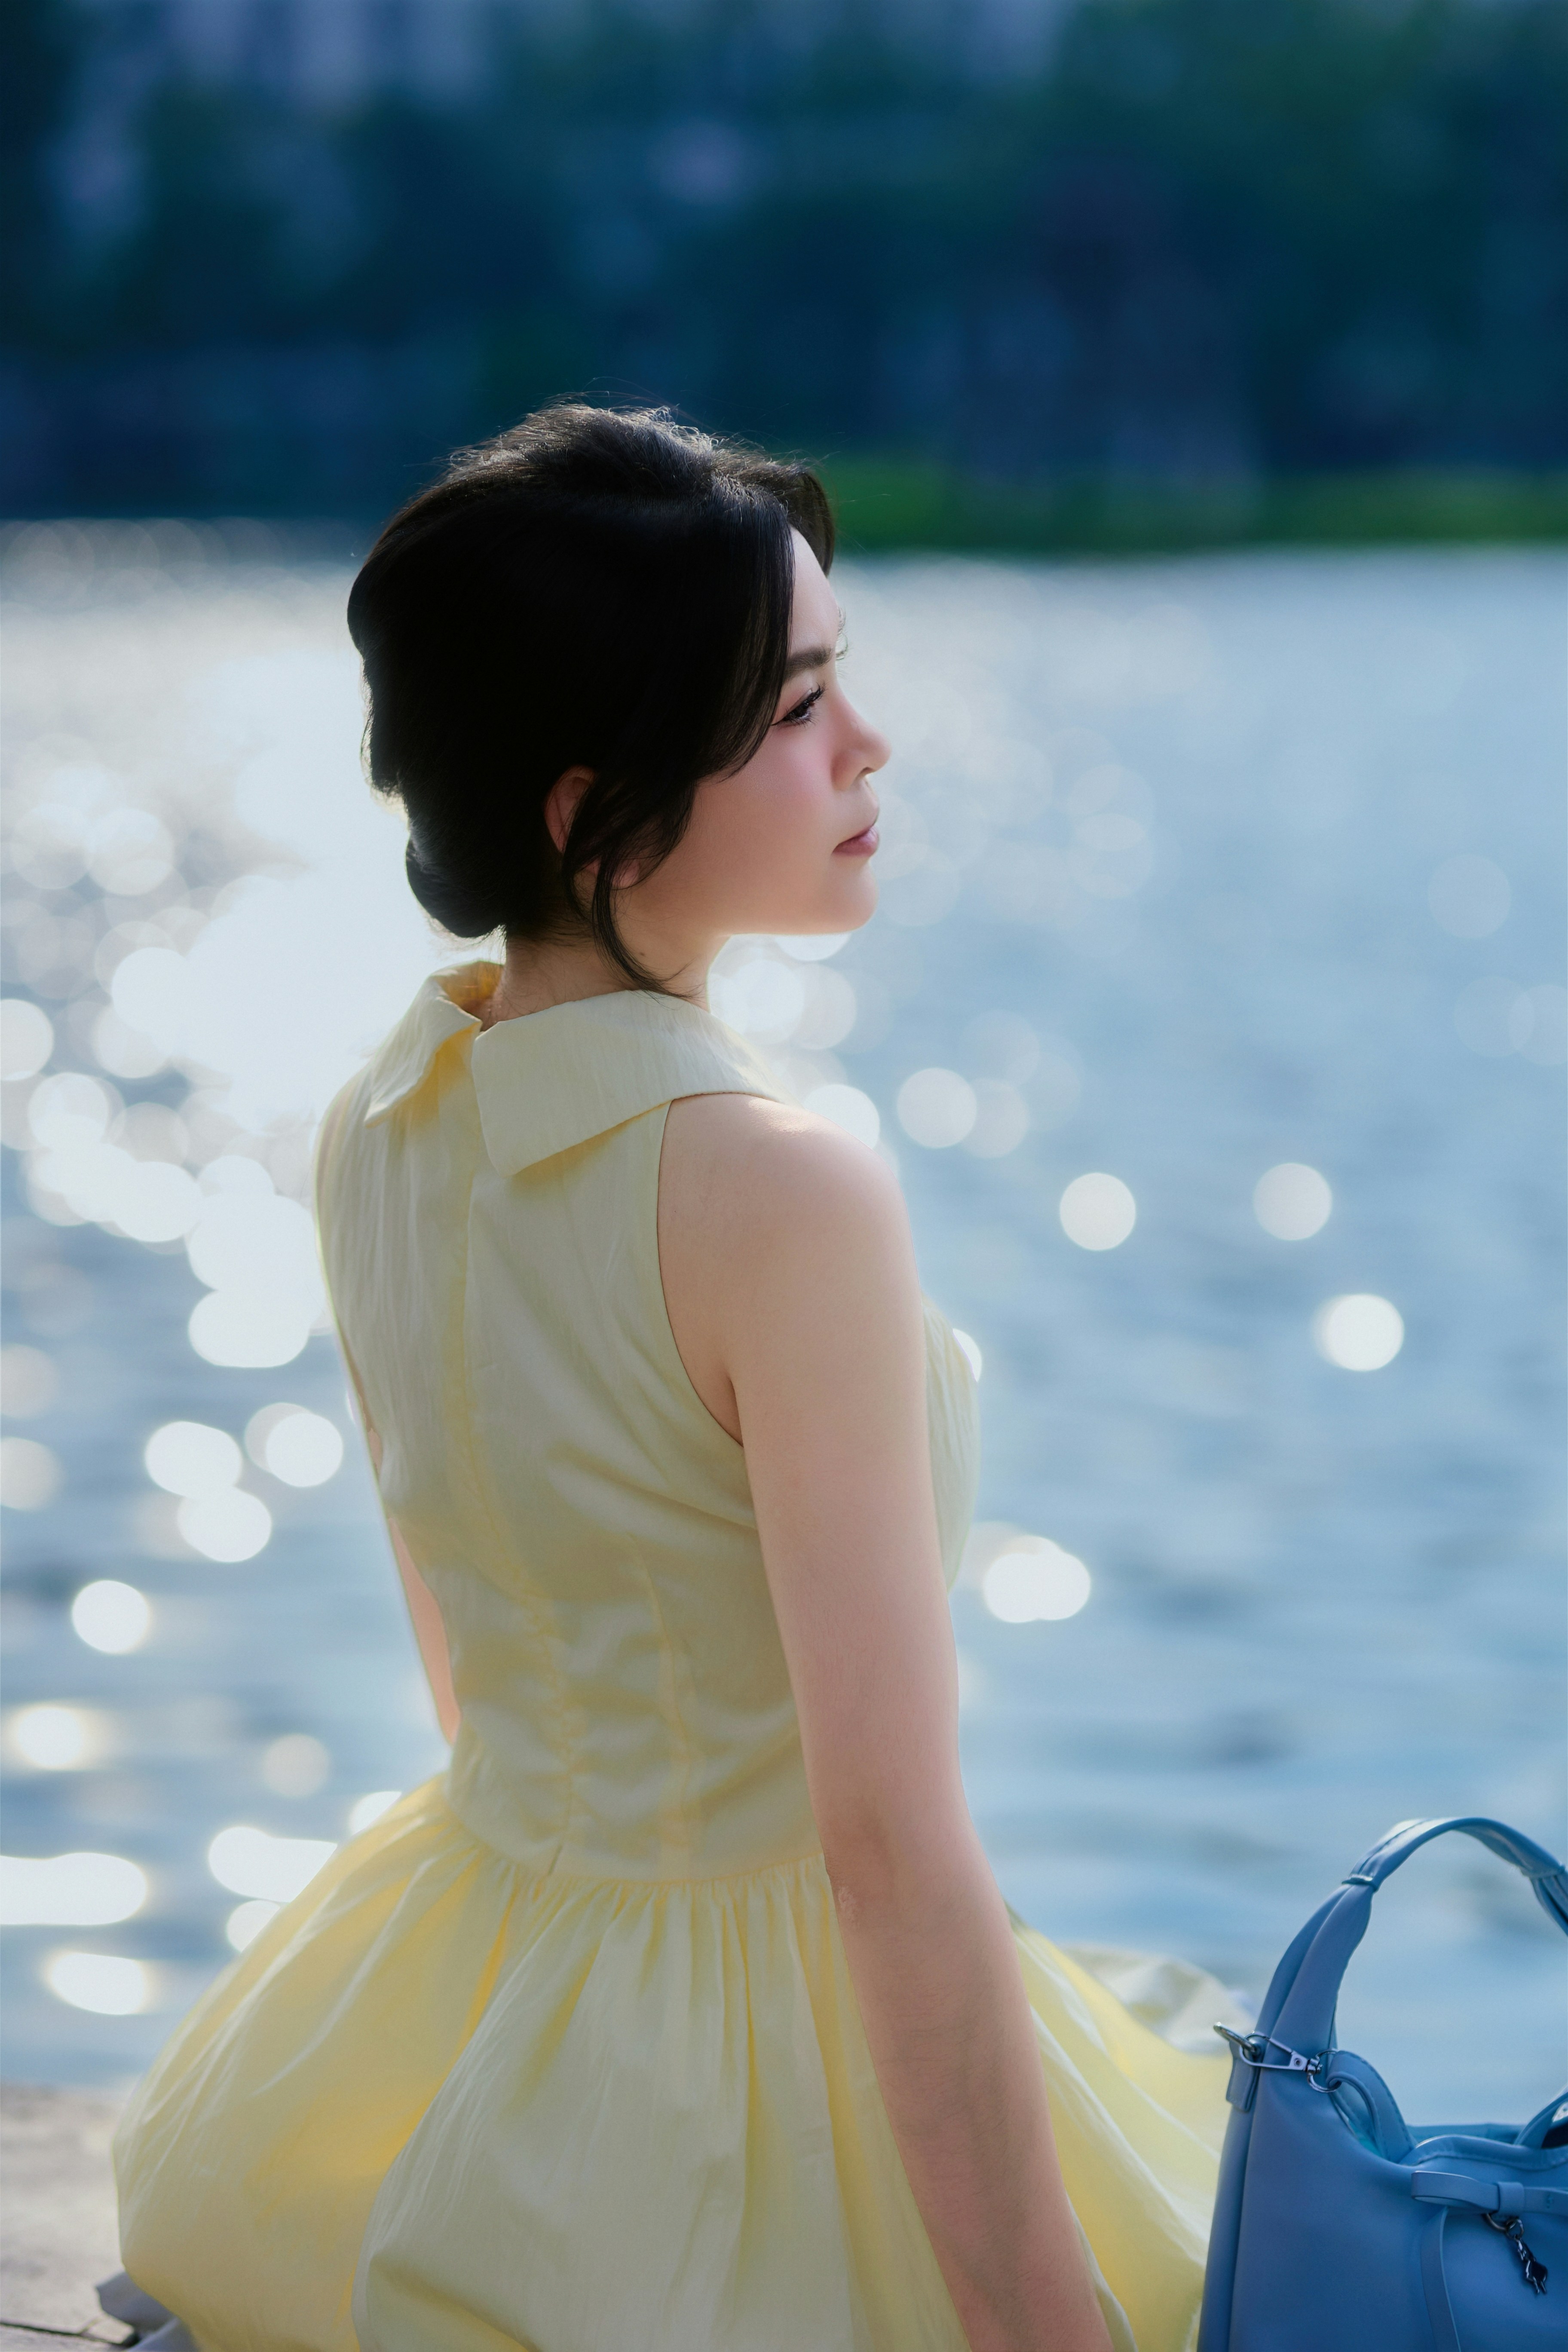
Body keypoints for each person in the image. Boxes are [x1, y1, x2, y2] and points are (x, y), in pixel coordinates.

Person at [109, 405, 1235, 2352]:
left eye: (839, 681)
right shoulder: (775, 1190)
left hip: (470, 1990)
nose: (867, 748)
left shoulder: (392, 1108)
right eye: (797, 706)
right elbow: (881, 1845)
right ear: (586, 809)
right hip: (753, 2099)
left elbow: (473, 1679)